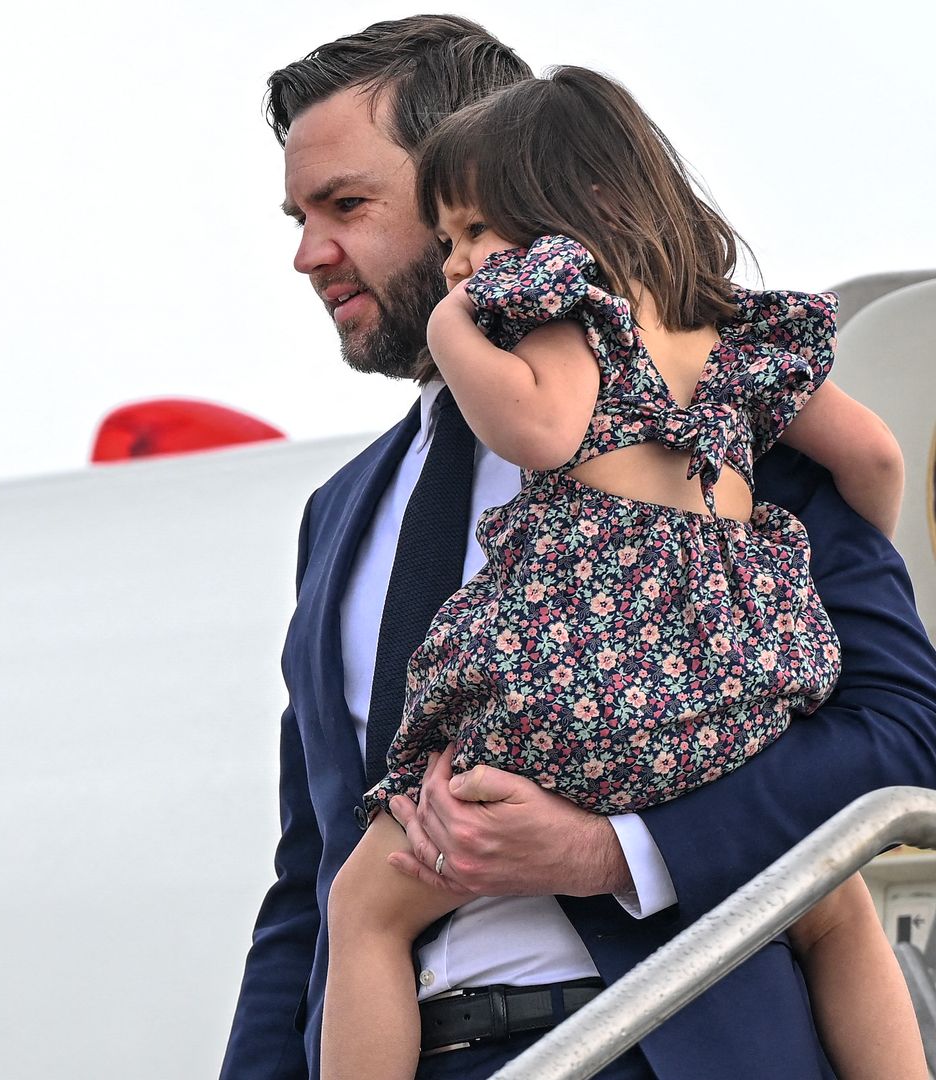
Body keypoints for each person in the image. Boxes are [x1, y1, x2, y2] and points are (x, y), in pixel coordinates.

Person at [219, 15, 936, 1080]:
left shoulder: (714, 404)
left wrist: (619, 854)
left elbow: (900, 735)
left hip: (683, 1043)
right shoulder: (340, 514)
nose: (308, 252)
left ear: (491, 169)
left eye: (348, 205)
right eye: (299, 215)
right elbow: (309, 884)